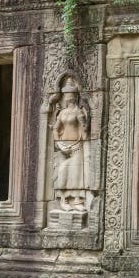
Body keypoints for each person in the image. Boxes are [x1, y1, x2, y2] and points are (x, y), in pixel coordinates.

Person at [53, 78, 89, 212]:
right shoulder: (62, 113)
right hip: (63, 147)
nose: (69, 99)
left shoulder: (79, 112)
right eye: (67, 96)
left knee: (76, 173)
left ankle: (77, 200)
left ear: (75, 97)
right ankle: (63, 199)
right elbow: (55, 129)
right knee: (62, 171)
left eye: (71, 96)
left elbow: (84, 129)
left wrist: (84, 122)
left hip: (77, 145)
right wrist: (60, 145)